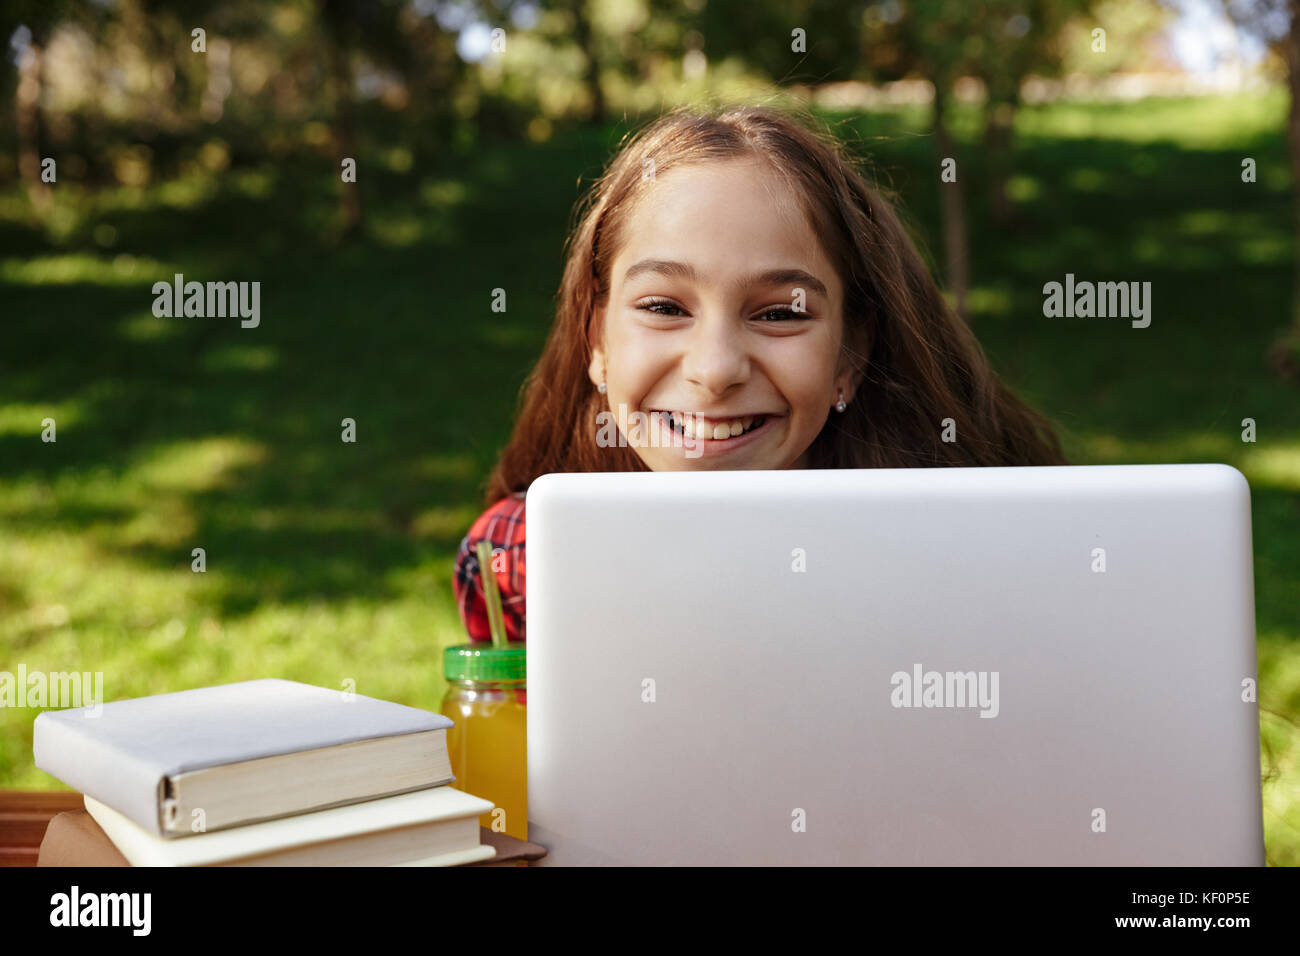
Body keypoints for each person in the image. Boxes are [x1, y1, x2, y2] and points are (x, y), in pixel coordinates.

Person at [453, 104, 1067, 642]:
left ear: (849, 356)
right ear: (598, 341)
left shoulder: (981, 555)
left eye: (778, 313)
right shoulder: (520, 563)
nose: (716, 370)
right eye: (665, 308)